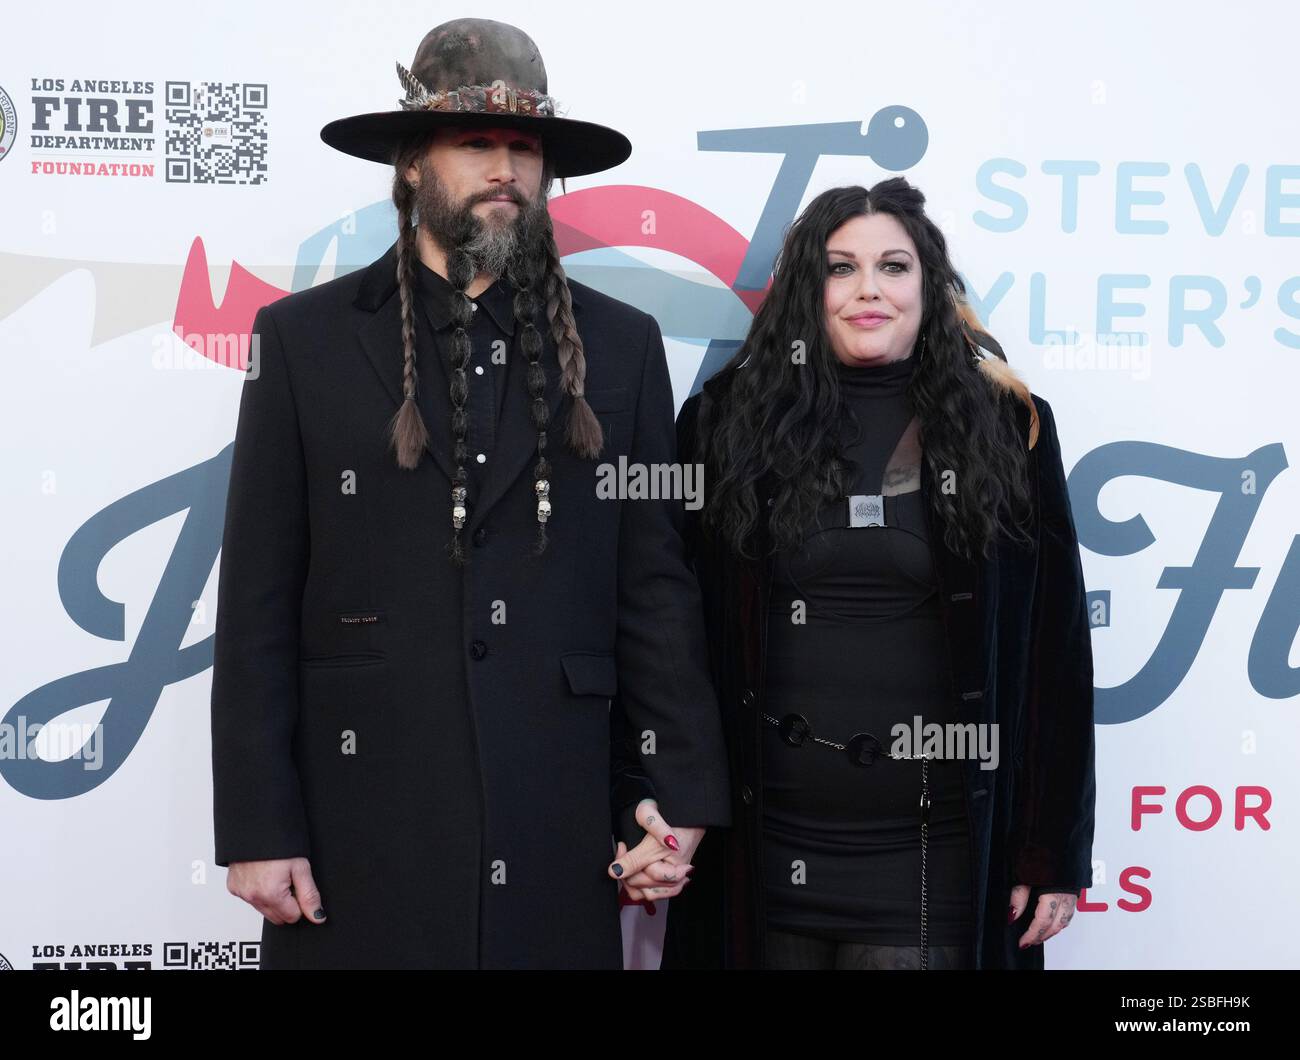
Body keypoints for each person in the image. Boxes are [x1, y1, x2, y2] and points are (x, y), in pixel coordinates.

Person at [209, 17, 729, 969]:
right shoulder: (302, 343)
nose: (503, 168)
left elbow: (654, 585)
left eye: (523, 149)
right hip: (356, 822)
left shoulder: (621, 347)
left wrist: (676, 787)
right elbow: (256, 603)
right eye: (474, 142)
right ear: (412, 165)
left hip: (555, 814)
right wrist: (255, 822)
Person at [651, 178, 1096, 970]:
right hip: (761, 855)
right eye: (840, 268)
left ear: (929, 286)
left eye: (893, 267)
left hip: (935, 861)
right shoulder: (722, 425)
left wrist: (1051, 851)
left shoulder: (1008, 428)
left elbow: (1054, 652)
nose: (868, 290)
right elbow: (668, 633)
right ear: (804, 291)